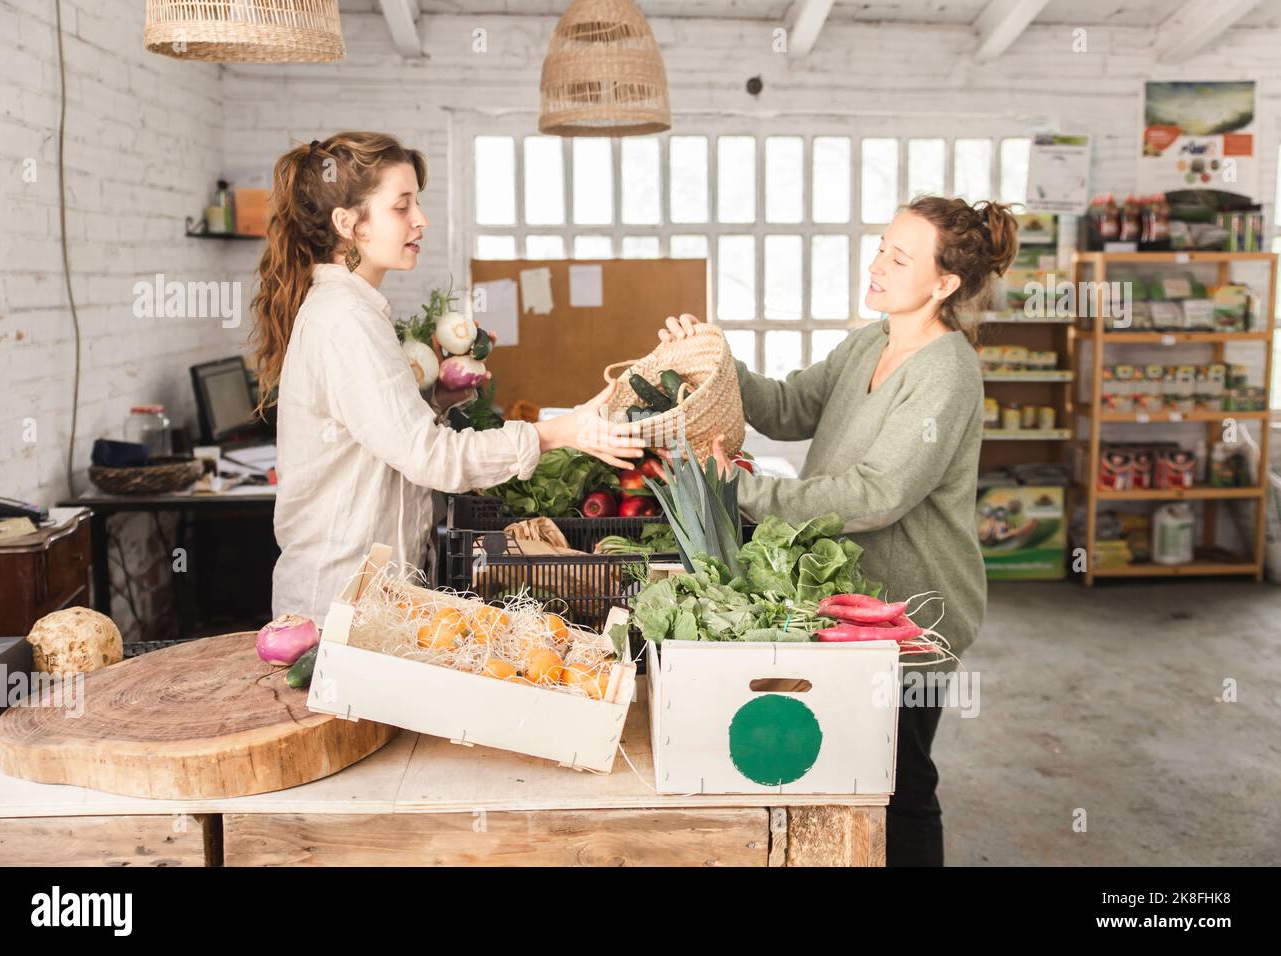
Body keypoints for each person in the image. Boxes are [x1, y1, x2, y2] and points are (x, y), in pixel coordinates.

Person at [659, 196, 1018, 866]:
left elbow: (878, 495)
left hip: (913, 613)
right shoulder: (871, 341)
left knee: (901, 782)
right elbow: (791, 407)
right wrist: (714, 363)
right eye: (881, 245)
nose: (877, 263)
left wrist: (739, 488)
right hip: (850, 597)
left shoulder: (949, 373)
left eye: (899, 256)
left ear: (944, 284)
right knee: (848, 771)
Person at [250, 132, 642, 624]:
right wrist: (558, 433)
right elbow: (430, 459)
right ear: (350, 225)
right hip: (340, 607)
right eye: (401, 206)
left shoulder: (352, 311)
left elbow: (382, 439)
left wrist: (436, 399)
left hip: (364, 600)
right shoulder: (345, 321)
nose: (421, 220)